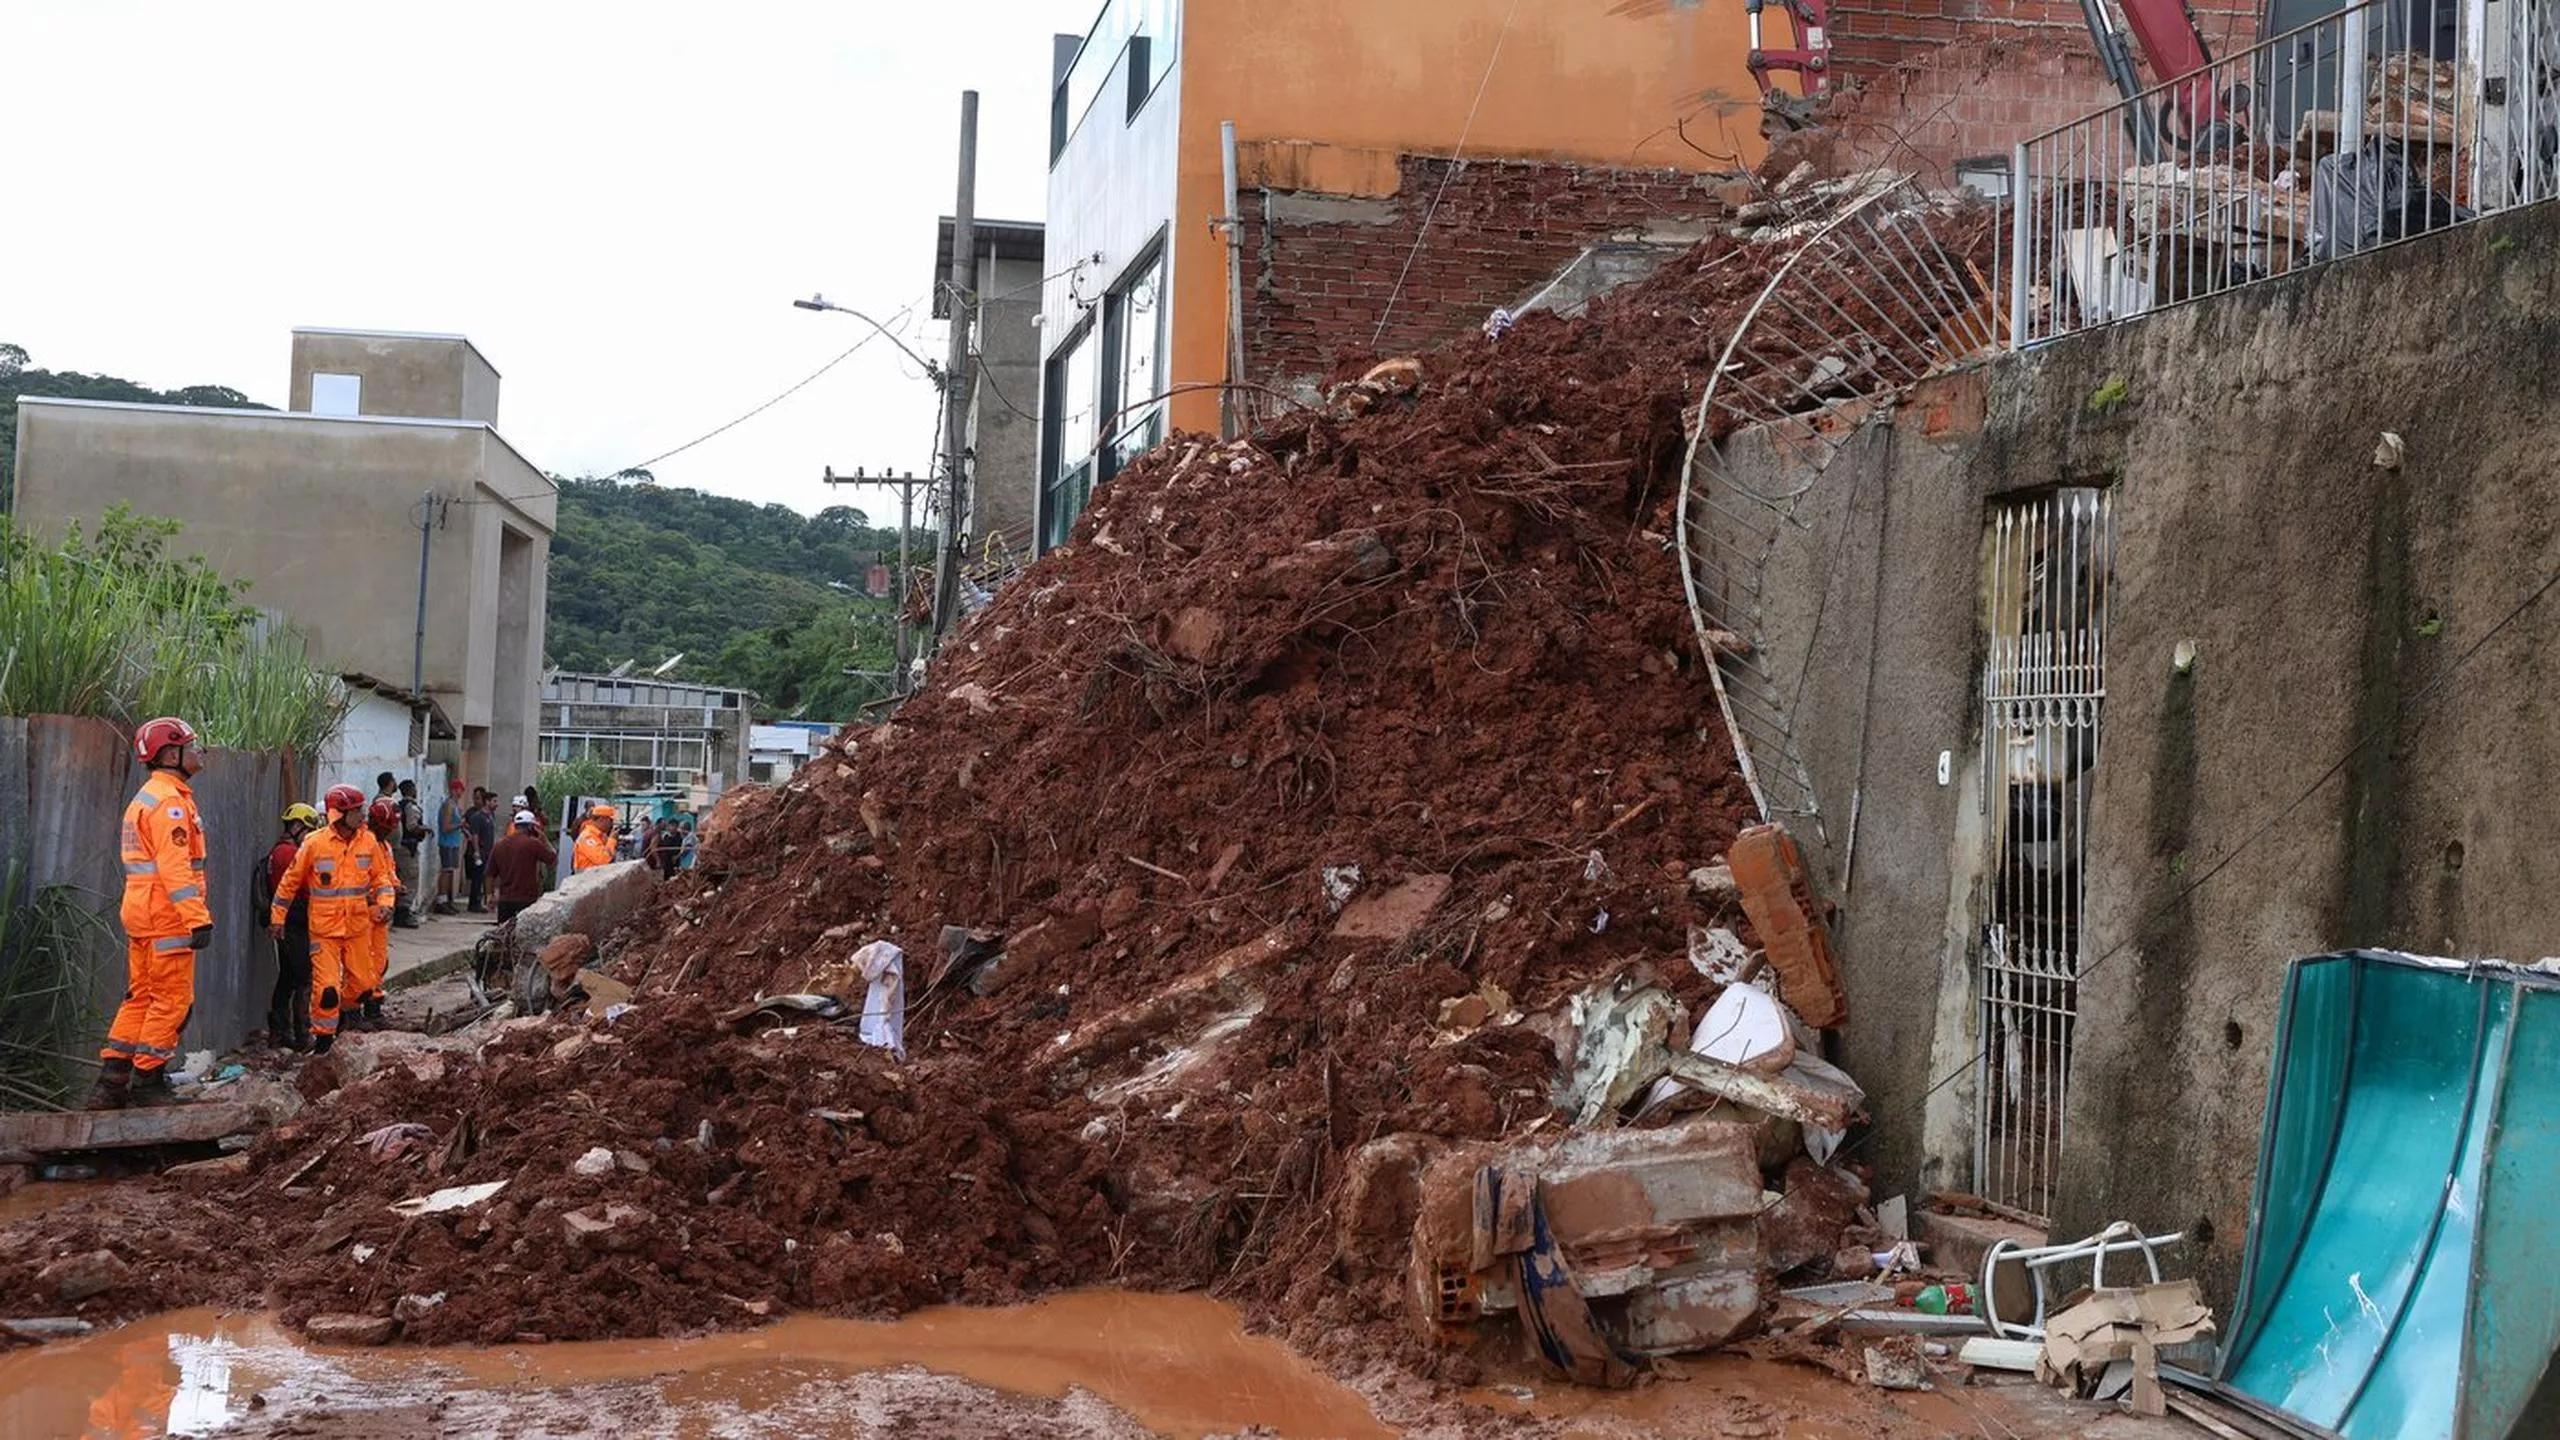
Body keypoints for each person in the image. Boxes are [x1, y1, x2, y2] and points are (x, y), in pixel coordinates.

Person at [88, 718, 212, 1109]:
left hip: (142, 913)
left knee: (140, 996)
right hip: (167, 917)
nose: (198, 752)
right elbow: (175, 868)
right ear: (170, 754)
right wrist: (196, 917)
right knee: (172, 1000)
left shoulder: (149, 796)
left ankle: (111, 1081)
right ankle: (148, 1081)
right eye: (191, 746)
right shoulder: (171, 804)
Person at [270, 785, 397, 1055]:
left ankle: (343, 1013)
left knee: (364, 986)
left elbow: (381, 879)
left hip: (357, 928)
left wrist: (386, 903)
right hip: (325, 931)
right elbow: (289, 883)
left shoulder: (368, 842)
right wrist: (277, 918)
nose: (363, 815)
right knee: (327, 988)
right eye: (357, 810)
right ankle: (324, 1041)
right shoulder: (314, 843)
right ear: (340, 814)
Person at [259, 802, 321, 1051]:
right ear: (296, 826)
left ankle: (281, 1032)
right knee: (302, 977)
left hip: (288, 920)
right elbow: (300, 887)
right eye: (308, 829)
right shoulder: (288, 853)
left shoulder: (281, 851)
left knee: (288, 978)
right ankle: (300, 1035)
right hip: (293, 921)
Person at [348, 798, 403, 1029]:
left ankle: (373, 1007)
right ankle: (351, 1012)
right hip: (361, 915)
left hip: (380, 916)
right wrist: (368, 897)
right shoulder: (360, 843)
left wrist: (395, 888)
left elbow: (387, 875)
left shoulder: (384, 846)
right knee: (357, 965)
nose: (388, 832)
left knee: (378, 963)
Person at [487, 809, 556, 923]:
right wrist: (545, 840)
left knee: (504, 934)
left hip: (505, 900)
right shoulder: (533, 844)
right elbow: (553, 860)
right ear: (531, 827)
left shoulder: (499, 845)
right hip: (526, 899)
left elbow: (489, 874)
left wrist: (490, 895)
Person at [392, 779, 427, 927]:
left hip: (398, 848)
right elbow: (412, 826)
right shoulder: (411, 807)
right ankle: (403, 913)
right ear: (411, 790)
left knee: (399, 879)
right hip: (409, 848)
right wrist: (425, 829)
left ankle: (398, 912)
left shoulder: (397, 806)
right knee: (409, 880)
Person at [433, 778, 466, 915]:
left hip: (453, 842)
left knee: (451, 871)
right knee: (446, 871)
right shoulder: (449, 805)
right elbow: (446, 827)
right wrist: (460, 824)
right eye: (459, 789)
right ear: (454, 790)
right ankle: (441, 900)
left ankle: (447, 899)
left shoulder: (455, 805)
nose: (461, 792)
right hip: (447, 842)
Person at [462, 788, 496, 913]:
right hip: (479, 851)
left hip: (487, 851)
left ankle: (479, 901)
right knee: (477, 877)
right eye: (494, 801)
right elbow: (474, 834)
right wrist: (476, 852)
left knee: (482, 877)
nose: (496, 804)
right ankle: (474, 903)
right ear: (487, 801)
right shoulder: (476, 816)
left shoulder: (490, 816)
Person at [571, 802, 618, 873]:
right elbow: (604, 860)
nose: (611, 824)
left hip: (593, 878)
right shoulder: (587, 837)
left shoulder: (599, 836)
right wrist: (612, 840)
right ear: (602, 819)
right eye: (610, 821)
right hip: (586, 880)